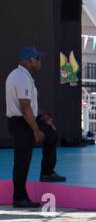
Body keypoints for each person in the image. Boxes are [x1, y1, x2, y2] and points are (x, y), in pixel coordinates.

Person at [6, 46, 65, 209]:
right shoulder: (21, 78)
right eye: (38, 59)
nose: (40, 62)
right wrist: (36, 130)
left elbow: (30, 104)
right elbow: (25, 107)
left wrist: (42, 116)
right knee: (22, 161)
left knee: (51, 134)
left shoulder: (22, 75)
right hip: (21, 122)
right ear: (30, 60)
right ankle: (19, 198)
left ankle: (47, 172)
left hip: (27, 118)